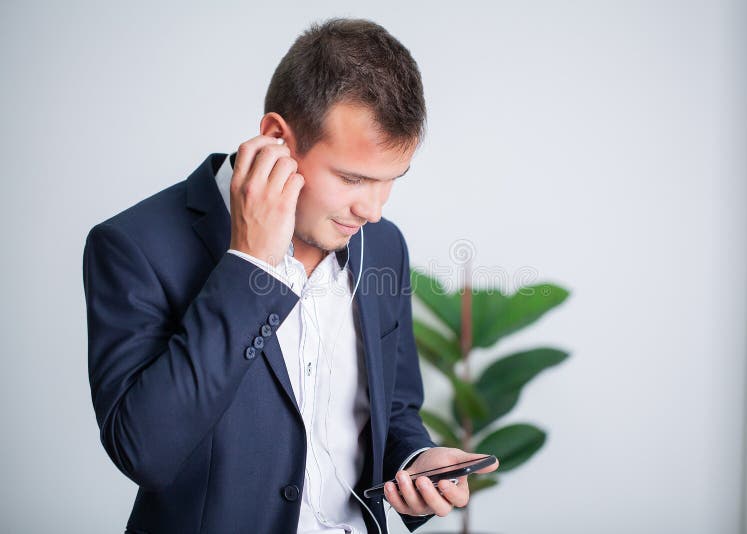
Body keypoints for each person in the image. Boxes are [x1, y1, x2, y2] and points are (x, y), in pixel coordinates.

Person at [83, 17, 497, 534]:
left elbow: (393, 411)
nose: (372, 209)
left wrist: (413, 463)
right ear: (278, 137)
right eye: (353, 178)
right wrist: (249, 264)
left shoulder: (383, 244)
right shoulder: (133, 246)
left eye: (391, 181)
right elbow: (144, 451)